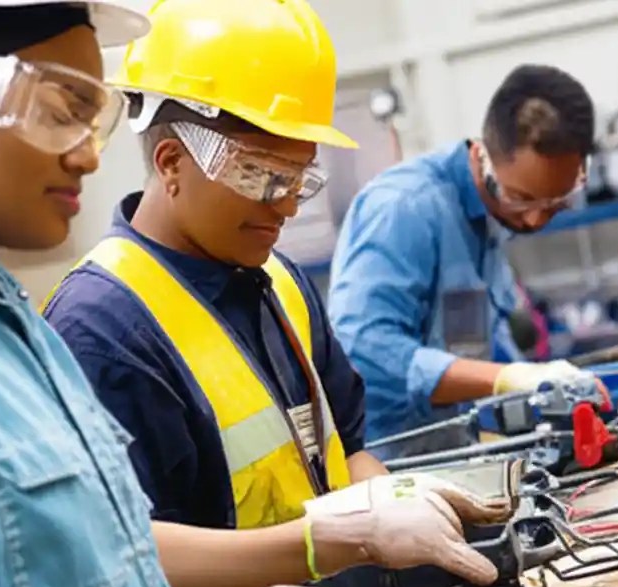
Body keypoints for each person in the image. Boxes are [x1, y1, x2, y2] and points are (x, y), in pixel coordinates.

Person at [0, 3, 505, 587]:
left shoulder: (6, 326)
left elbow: (124, 555)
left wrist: (339, 537)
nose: (89, 154)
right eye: (59, 107)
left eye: (91, 114)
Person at [44, 0, 392, 545]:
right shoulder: (102, 330)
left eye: (299, 178)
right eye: (262, 176)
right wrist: (324, 551)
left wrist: (393, 511)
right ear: (171, 162)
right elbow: (136, 558)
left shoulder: (283, 281)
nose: (288, 206)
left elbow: (348, 448)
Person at [327, 64, 598, 457]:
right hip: (388, 469)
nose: (534, 219)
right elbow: (363, 346)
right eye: (521, 198)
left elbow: (474, 344)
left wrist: (538, 383)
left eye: (555, 203)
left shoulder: (486, 221)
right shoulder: (405, 208)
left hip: (454, 455)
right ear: (486, 156)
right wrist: (506, 378)